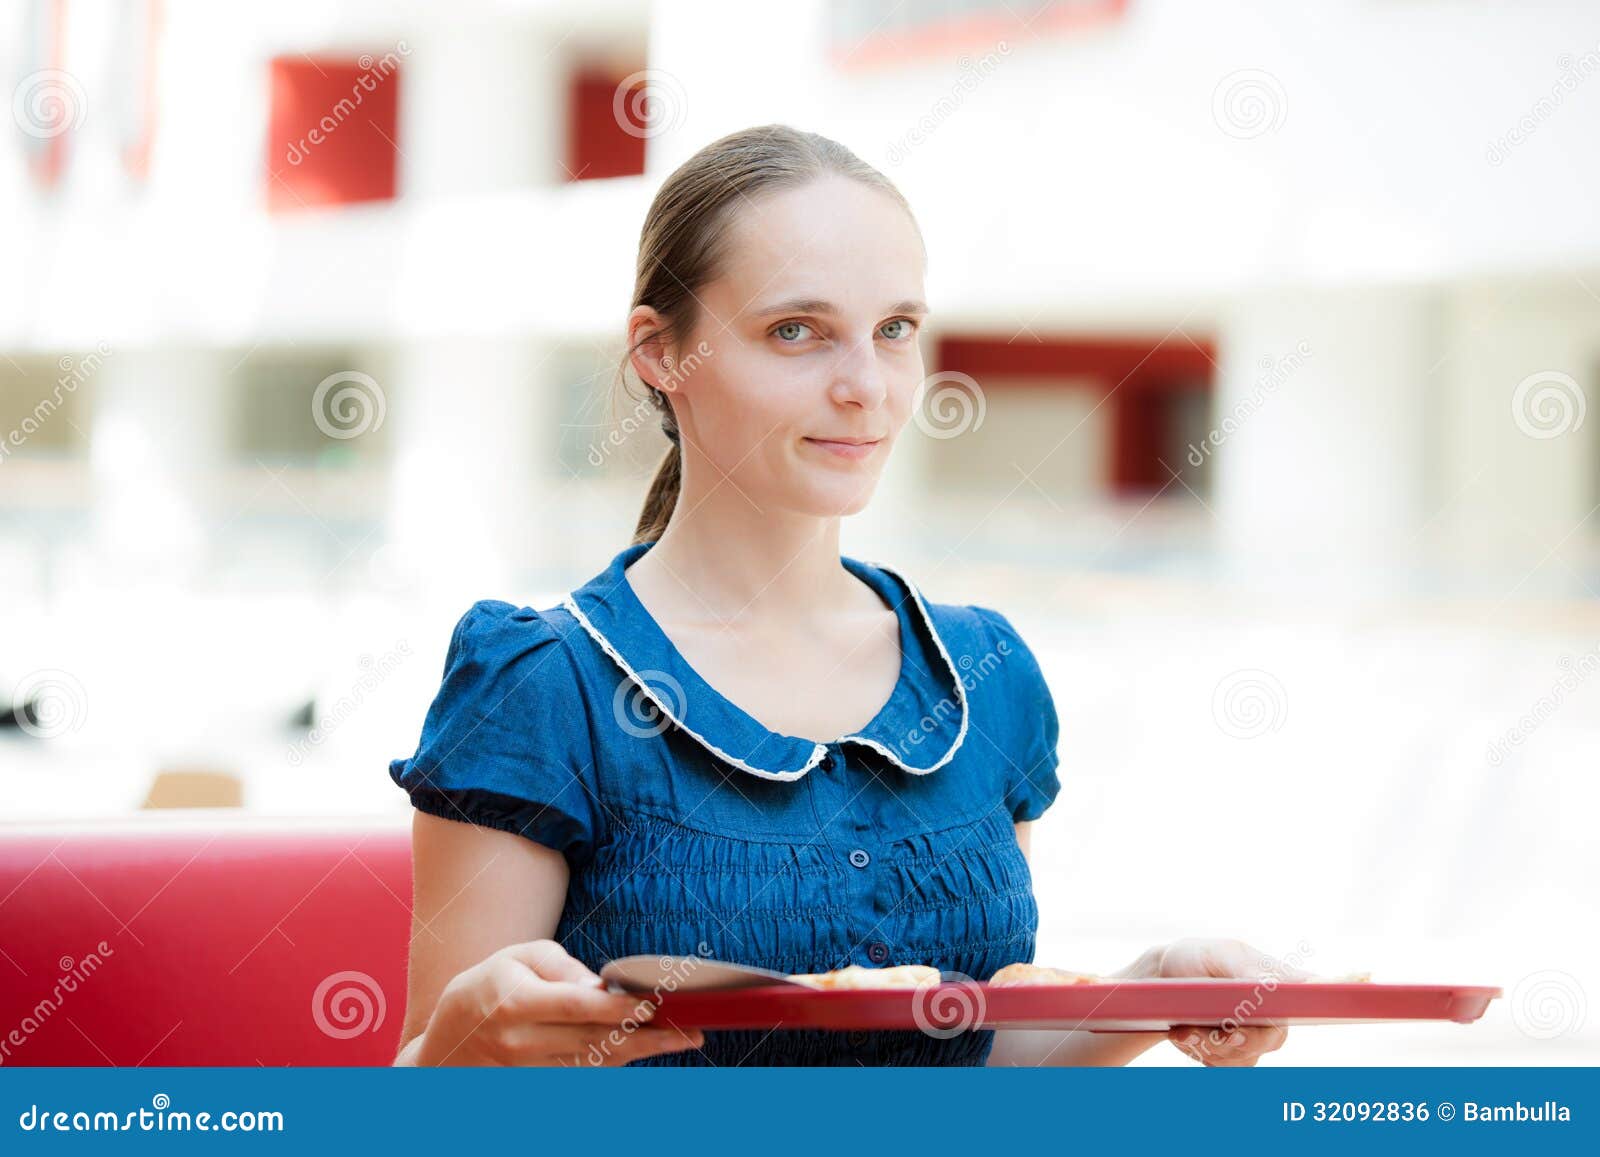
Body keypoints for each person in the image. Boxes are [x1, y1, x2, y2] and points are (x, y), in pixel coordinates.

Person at [389, 124, 1297, 1067]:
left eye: (895, 330)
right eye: (797, 332)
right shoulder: (540, 688)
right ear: (661, 354)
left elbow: (975, 1059)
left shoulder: (983, 676)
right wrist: (460, 1051)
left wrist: (1154, 992)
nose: (869, 387)